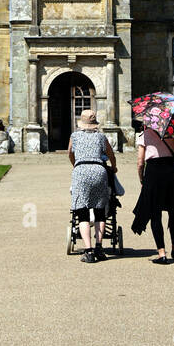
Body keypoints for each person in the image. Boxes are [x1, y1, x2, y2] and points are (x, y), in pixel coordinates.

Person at [130, 125, 174, 264]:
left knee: (155, 214)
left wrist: (142, 179)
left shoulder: (144, 135)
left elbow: (140, 162)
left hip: (153, 173)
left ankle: (161, 253)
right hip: (171, 172)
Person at [68, 109, 118, 264]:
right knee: (99, 211)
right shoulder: (101, 137)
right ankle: (98, 247)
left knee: (82, 213)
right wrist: (113, 167)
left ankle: (88, 251)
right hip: (99, 171)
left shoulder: (75, 136)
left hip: (81, 171)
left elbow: (70, 153)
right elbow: (111, 154)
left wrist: (75, 164)